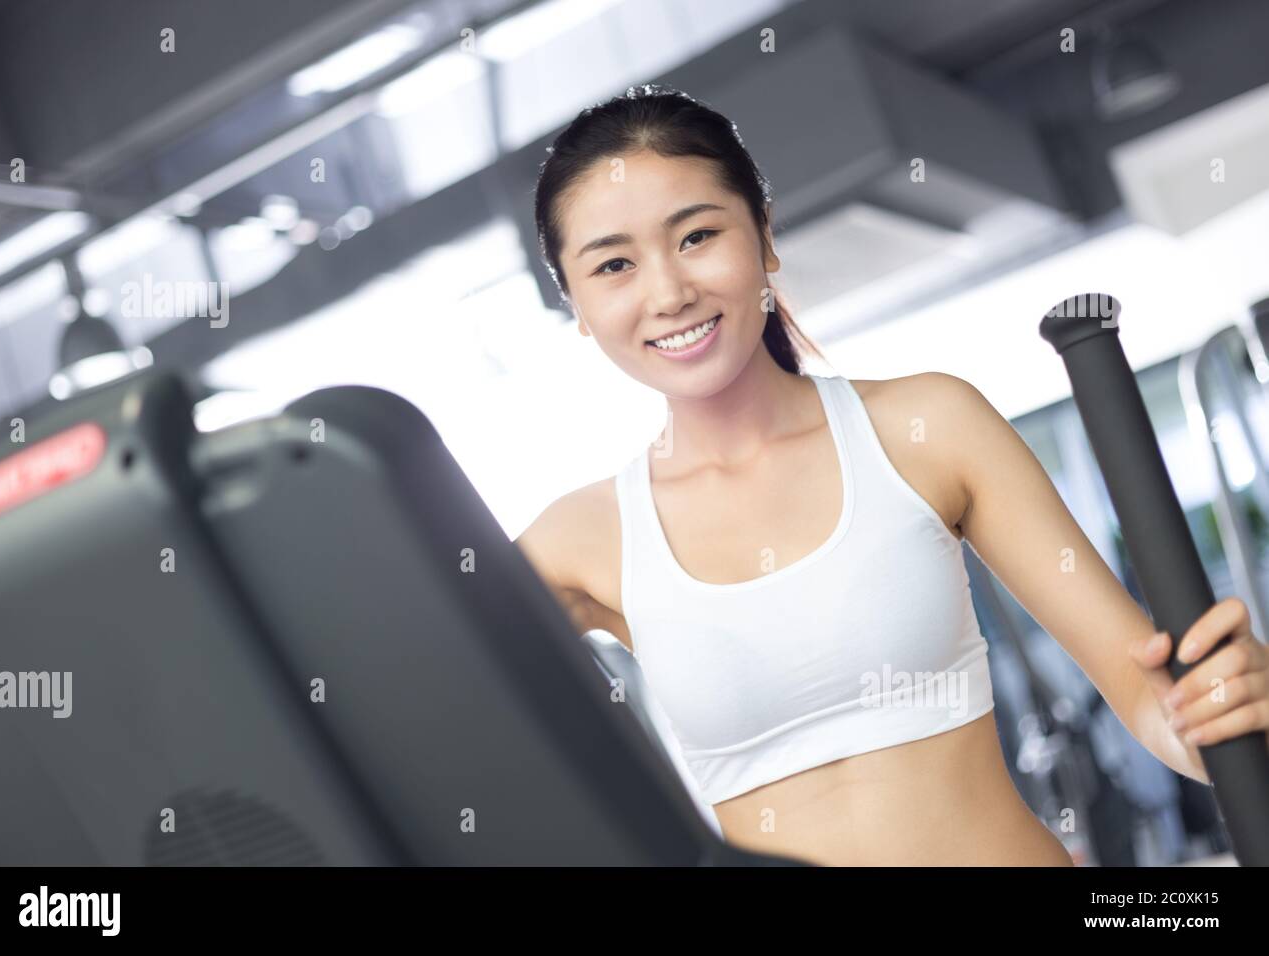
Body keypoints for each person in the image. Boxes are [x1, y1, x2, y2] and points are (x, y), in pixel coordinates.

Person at [513, 84, 1269, 866]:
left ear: (763, 237)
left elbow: (1145, 691)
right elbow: (424, 737)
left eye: (698, 235)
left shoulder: (928, 428)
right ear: (576, 302)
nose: (668, 293)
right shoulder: (579, 542)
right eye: (614, 265)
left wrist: (1214, 713)